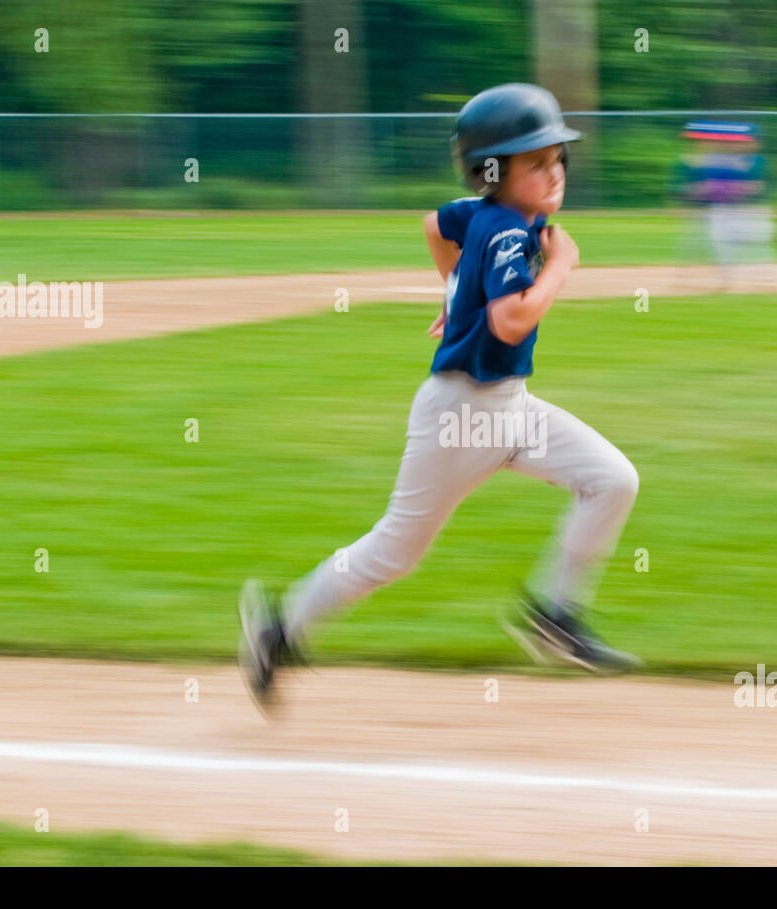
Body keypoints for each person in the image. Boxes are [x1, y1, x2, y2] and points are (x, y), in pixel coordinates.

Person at [238, 83, 642, 713]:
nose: (554, 170)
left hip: (507, 407)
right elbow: (512, 321)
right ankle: (278, 630)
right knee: (393, 552)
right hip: (464, 416)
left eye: (556, 157)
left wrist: (456, 294)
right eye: (535, 162)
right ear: (493, 172)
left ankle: (554, 615)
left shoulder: (487, 213)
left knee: (613, 479)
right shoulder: (511, 233)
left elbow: (434, 224)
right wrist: (561, 266)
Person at [676, 120, 777, 288]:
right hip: (722, 209)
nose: (738, 146)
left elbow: (759, 187)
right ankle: (725, 281)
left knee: (756, 244)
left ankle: (767, 280)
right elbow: (708, 184)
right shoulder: (718, 160)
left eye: (745, 142)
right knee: (720, 243)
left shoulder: (758, 161)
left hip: (751, 210)